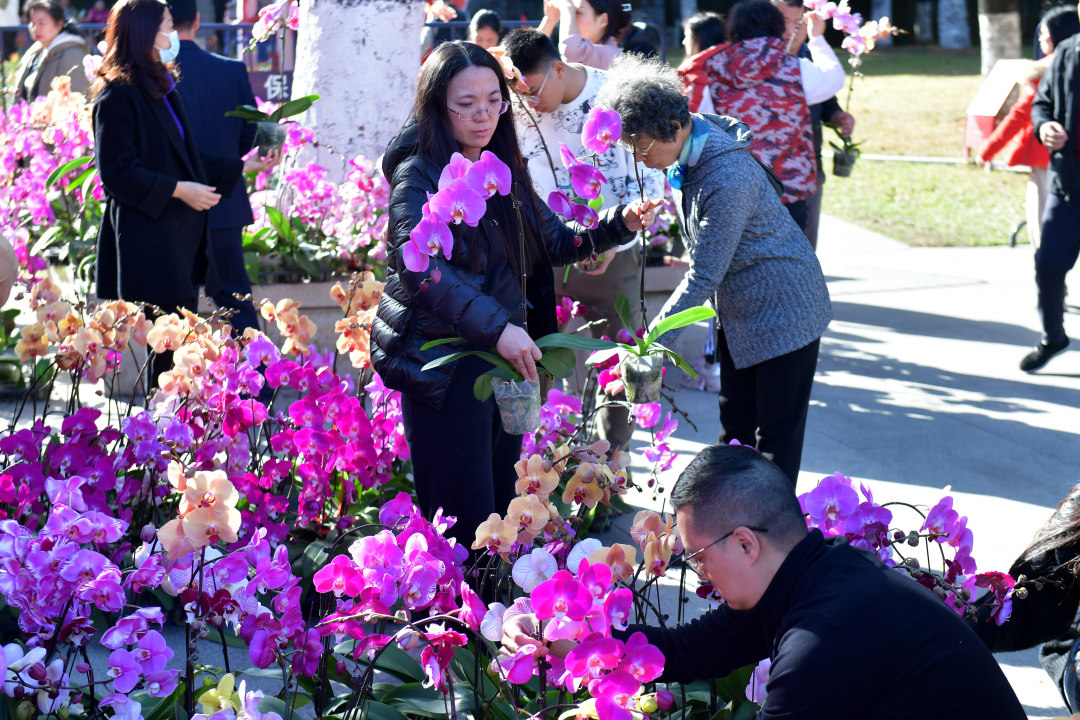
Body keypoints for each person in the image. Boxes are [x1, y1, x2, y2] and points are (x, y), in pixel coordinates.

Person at [369, 41, 657, 551]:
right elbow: (422, 271)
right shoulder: (417, 175)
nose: (483, 115)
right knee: (463, 521)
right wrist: (498, 327)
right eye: (466, 104)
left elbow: (552, 240)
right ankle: (460, 604)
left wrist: (618, 224)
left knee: (502, 509)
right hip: (445, 367)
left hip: (502, 362)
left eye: (493, 101)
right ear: (437, 106)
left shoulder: (499, 165)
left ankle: (495, 600)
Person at [503, 444, 1029, 719]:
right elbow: (686, 651)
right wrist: (561, 635)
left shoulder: (820, 639)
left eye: (698, 557)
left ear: (745, 543)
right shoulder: (814, 574)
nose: (698, 572)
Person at [595, 54, 830, 484]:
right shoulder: (694, 138)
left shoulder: (726, 175)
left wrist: (648, 348)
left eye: (641, 148)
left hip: (786, 310)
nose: (641, 161)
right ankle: (725, 516)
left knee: (774, 443)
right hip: (743, 313)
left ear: (672, 126)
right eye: (633, 151)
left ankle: (769, 524)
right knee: (734, 430)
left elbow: (704, 275)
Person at [91, 0, 275, 382]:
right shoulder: (116, 94)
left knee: (179, 350)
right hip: (150, 239)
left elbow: (186, 157)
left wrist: (244, 166)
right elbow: (116, 173)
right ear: (146, 32)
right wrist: (178, 190)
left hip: (179, 238)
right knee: (165, 353)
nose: (173, 34)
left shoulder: (160, 86)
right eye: (168, 25)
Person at [503, 27, 664, 455]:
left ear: (559, 69)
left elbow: (651, 175)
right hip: (544, 252)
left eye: (534, 90)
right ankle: (535, 461)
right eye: (520, 91)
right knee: (534, 357)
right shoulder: (515, 105)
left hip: (615, 248)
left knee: (629, 357)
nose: (529, 101)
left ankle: (613, 464)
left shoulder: (616, 96)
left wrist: (615, 242)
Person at [697, 0, 844, 233]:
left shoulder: (711, 68)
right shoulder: (796, 67)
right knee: (790, 253)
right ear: (778, 27)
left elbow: (701, 121)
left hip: (738, 190)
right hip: (791, 187)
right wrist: (816, 39)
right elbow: (833, 78)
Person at [169, 0, 265, 336]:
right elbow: (251, 134)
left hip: (174, 204)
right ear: (197, 20)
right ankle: (257, 371)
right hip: (224, 200)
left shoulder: (154, 76)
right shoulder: (231, 70)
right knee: (235, 301)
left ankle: (175, 375)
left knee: (173, 311)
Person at [981, 8, 1079, 256]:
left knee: (1044, 223)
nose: (1040, 40)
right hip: (1062, 158)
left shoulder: (1046, 71)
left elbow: (1019, 115)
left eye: (1045, 34)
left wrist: (987, 150)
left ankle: (1047, 263)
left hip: (1049, 159)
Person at [773, 0, 854, 250]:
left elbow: (826, 98)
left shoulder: (810, 55)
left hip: (809, 164)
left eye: (798, 23)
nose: (791, 30)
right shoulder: (760, 59)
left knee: (804, 246)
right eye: (784, 22)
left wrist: (838, 116)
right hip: (767, 169)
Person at [1025, 1, 1080, 372]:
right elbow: (1042, 104)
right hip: (1069, 185)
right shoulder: (1067, 52)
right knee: (1047, 265)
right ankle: (1053, 337)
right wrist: (1044, 127)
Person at [13, 0, 89, 100]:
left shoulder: (73, 54)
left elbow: (73, 99)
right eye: (33, 23)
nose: (35, 28)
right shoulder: (35, 51)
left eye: (41, 23)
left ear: (59, 24)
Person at [537, 0, 629, 70]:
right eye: (571, 12)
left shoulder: (614, 55)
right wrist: (550, 20)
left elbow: (572, 51)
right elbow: (533, 55)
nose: (570, 18)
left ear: (602, 20)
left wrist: (567, 6)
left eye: (577, 12)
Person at [677, 11, 725, 114]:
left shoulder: (698, 75)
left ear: (699, 38)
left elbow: (689, 117)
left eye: (687, 36)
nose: (684, 42)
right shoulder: (731, 64)